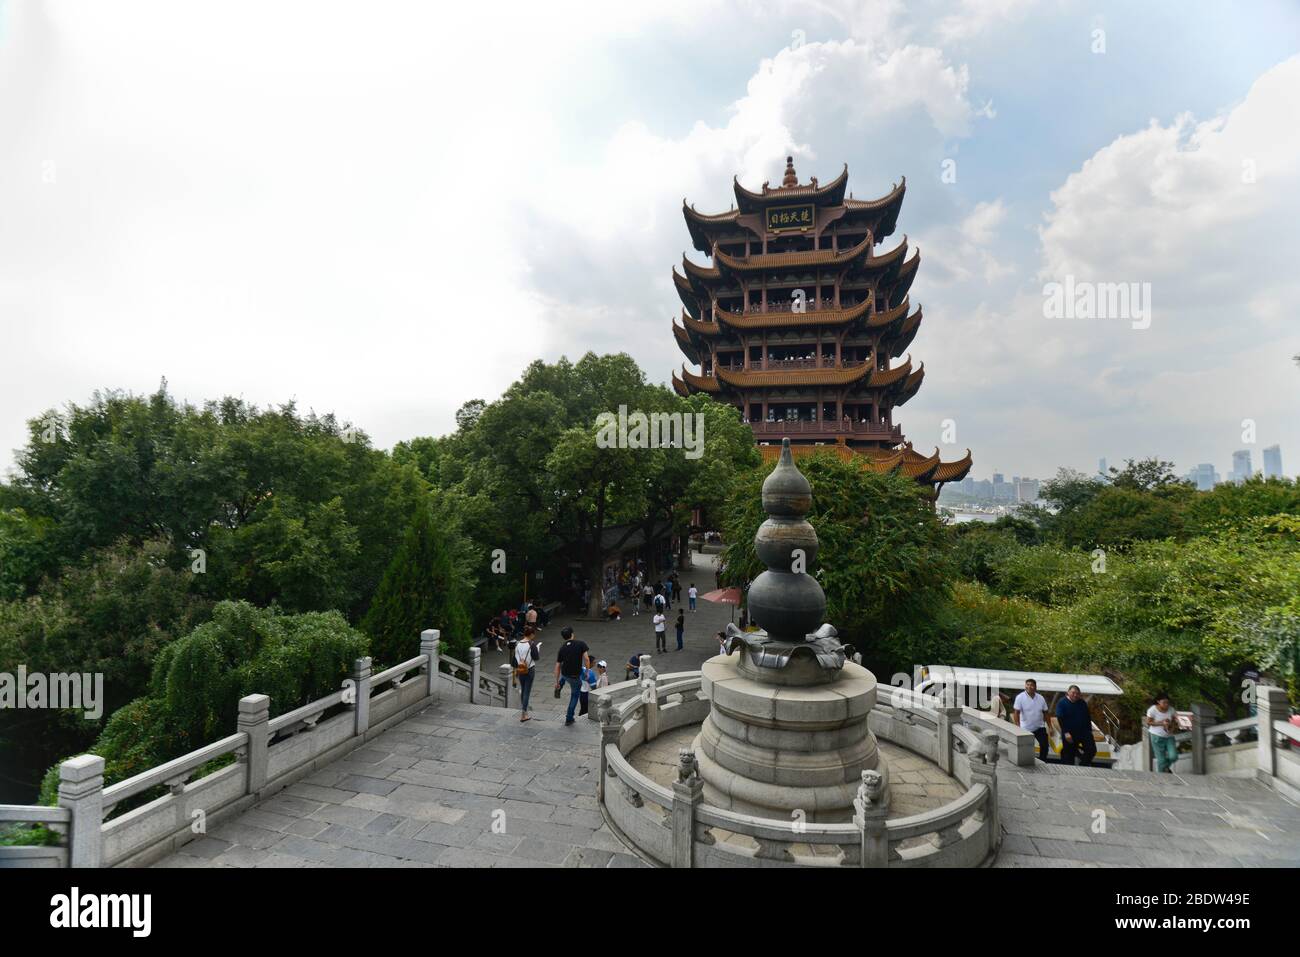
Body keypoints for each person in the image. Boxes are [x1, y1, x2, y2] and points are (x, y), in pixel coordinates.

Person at [553, 626, 590, 726]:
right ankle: (569, 718)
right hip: (575, 676)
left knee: (564, 676)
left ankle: (561, 683)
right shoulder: (581, 644)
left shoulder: (562, 648)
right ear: (572, 634)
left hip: (565, 674)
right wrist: (587, 671)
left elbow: (557, 666)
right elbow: (586, 659)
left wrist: (556, 682)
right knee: (574, 696)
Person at [1055, 684, 1096, 766]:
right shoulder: (1062, 702)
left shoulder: (1082, 702)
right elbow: (1060, 718)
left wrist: (1090, 731)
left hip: (1084, 732)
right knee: (1069, 756)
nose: (1075, 695)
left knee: (1092, 750)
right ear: (1068, 692)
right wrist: (1066, 732)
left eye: (1077, 693)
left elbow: (1087, 717)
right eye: (1073, 693)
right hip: (1069, 733)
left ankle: (1082, 765)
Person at [1013, 678, 1051, 762]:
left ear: (1035, 687)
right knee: (1026, 747)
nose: (1029, 687)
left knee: (1045, 746)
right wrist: (1017, 726)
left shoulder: (1040, 698)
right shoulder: (1020, 697)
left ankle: (1042, 761)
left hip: (1039, 726)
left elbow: (1046, 713)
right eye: (1028, 684)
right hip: (1025, 728)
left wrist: (1050, 726)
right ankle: (1025, 762)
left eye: (1031, 685)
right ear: (1025, 686)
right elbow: (1016, 713)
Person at [1146, 691, 1179, 773]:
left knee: (1173, 756)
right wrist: (1161, 723)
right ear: (1158, 702)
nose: (1166, 705)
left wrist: (1173, 726)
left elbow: (1175, 721)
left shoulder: (1171, 710)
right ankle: (1162, 775)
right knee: (1161, 760)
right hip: (1156, 736)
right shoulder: (1152, 710)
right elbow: (1148, 722)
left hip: (1169, 737)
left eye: (1167, 702)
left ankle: (1165, 768)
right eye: (1164, 702)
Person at [514, 626, 539, 722]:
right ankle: (524, 714)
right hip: (529, 669)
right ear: (531, 634)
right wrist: (537, 649)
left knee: (523, 689)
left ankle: (525, 712)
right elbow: (536, 657)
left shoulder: (518, 644)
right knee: (527, 691)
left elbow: (515, 658)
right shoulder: (532, 644)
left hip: (520, 669)